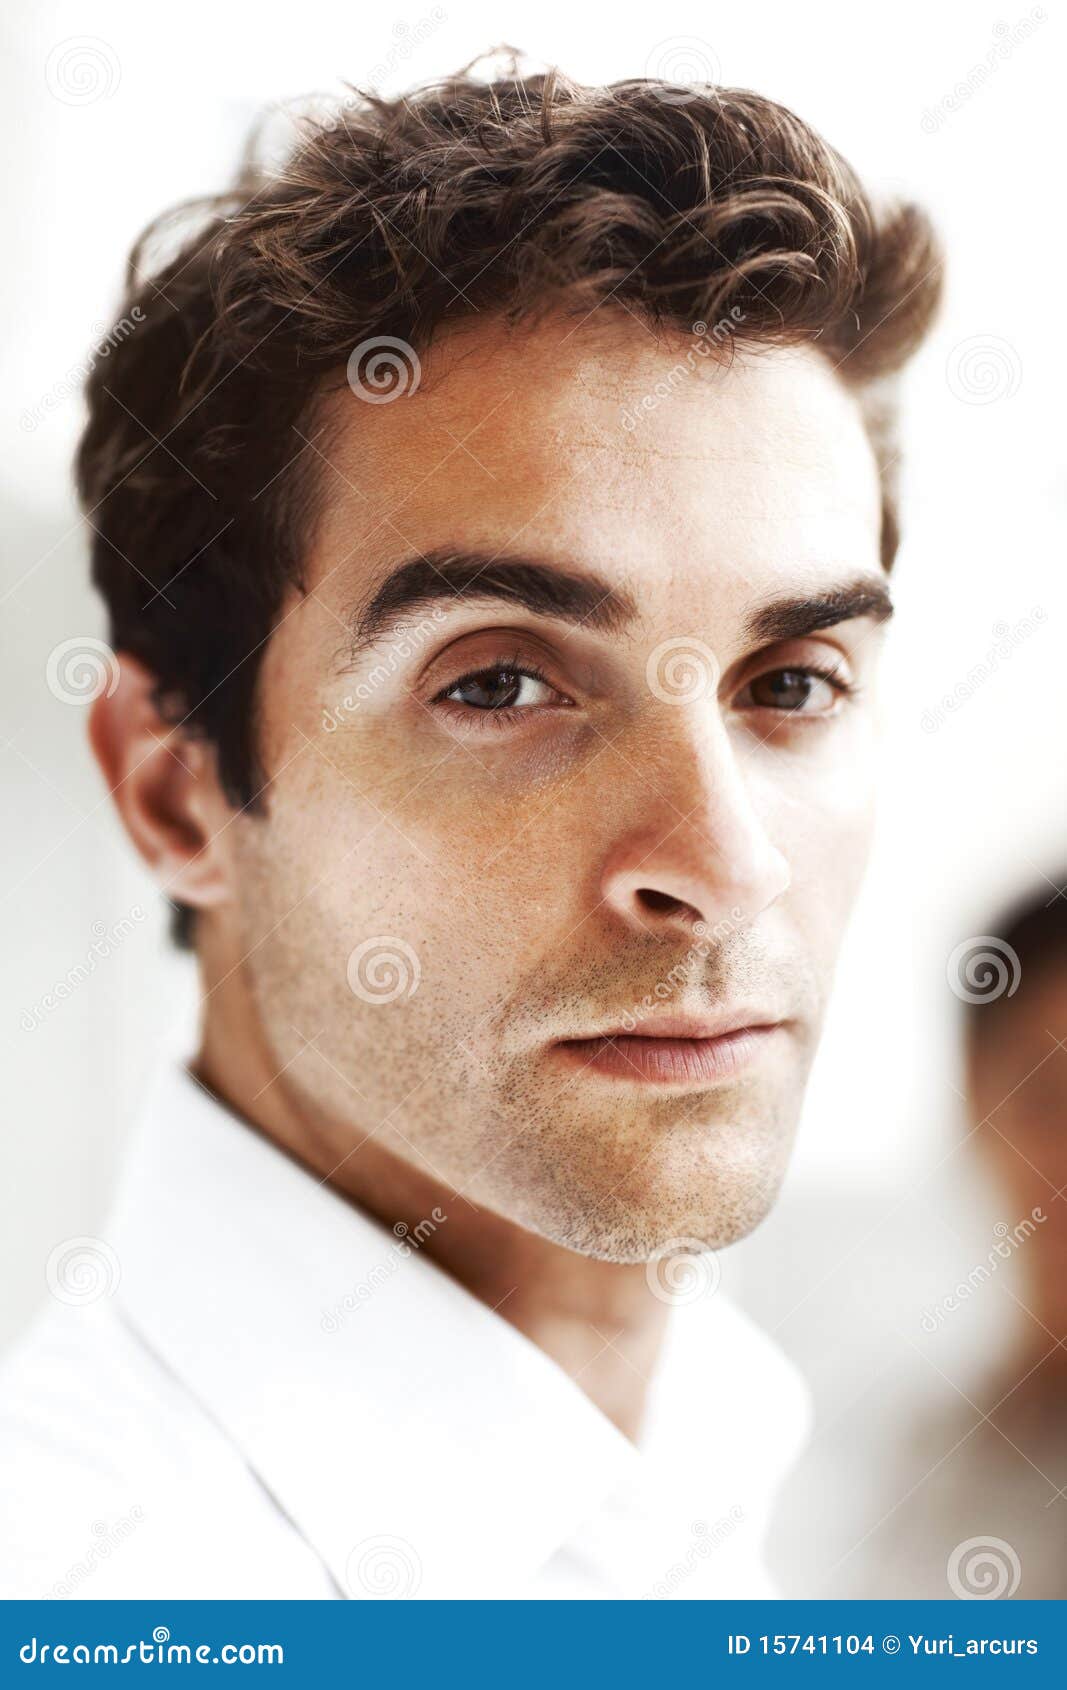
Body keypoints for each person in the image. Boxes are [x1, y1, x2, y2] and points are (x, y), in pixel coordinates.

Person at [0, 58, 941, 1598]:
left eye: (792, 679)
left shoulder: (723, 1452)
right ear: (178, 792)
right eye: (502, 681)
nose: (722, 863)